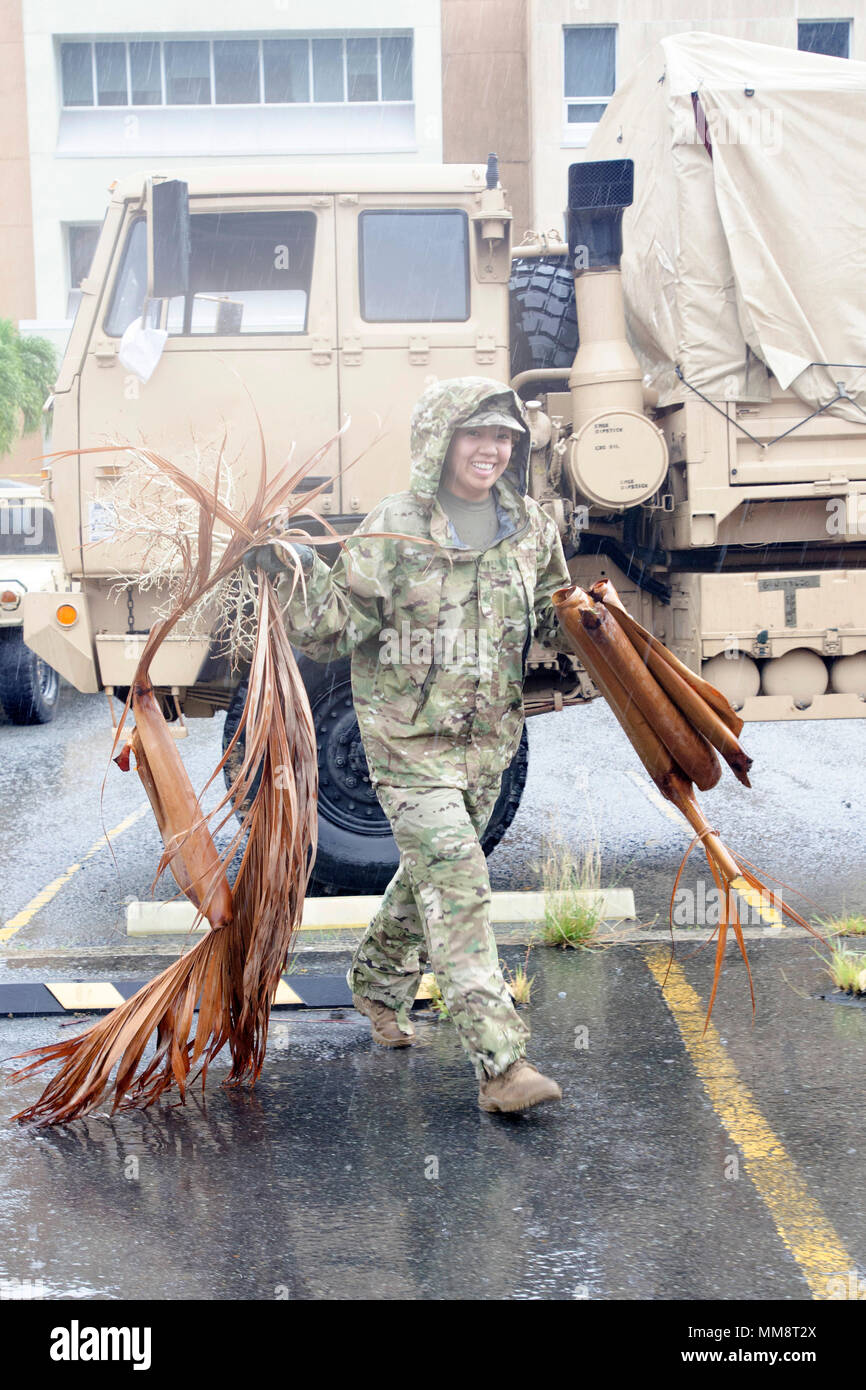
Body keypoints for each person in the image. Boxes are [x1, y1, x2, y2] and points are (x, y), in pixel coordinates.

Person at [251, 377, 575, 1113]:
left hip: (489, 744)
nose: (491, 449)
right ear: (439, 440)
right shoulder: (393, 528)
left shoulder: (529, 528)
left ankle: (375, 981)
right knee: (458, 878)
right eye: (475, 434)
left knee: (432, 877)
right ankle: (501, 1065)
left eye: (504, 438)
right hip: (406, 745)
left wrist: (593, 625)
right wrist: (287, 572)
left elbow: (554, 619)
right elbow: (331, 627)